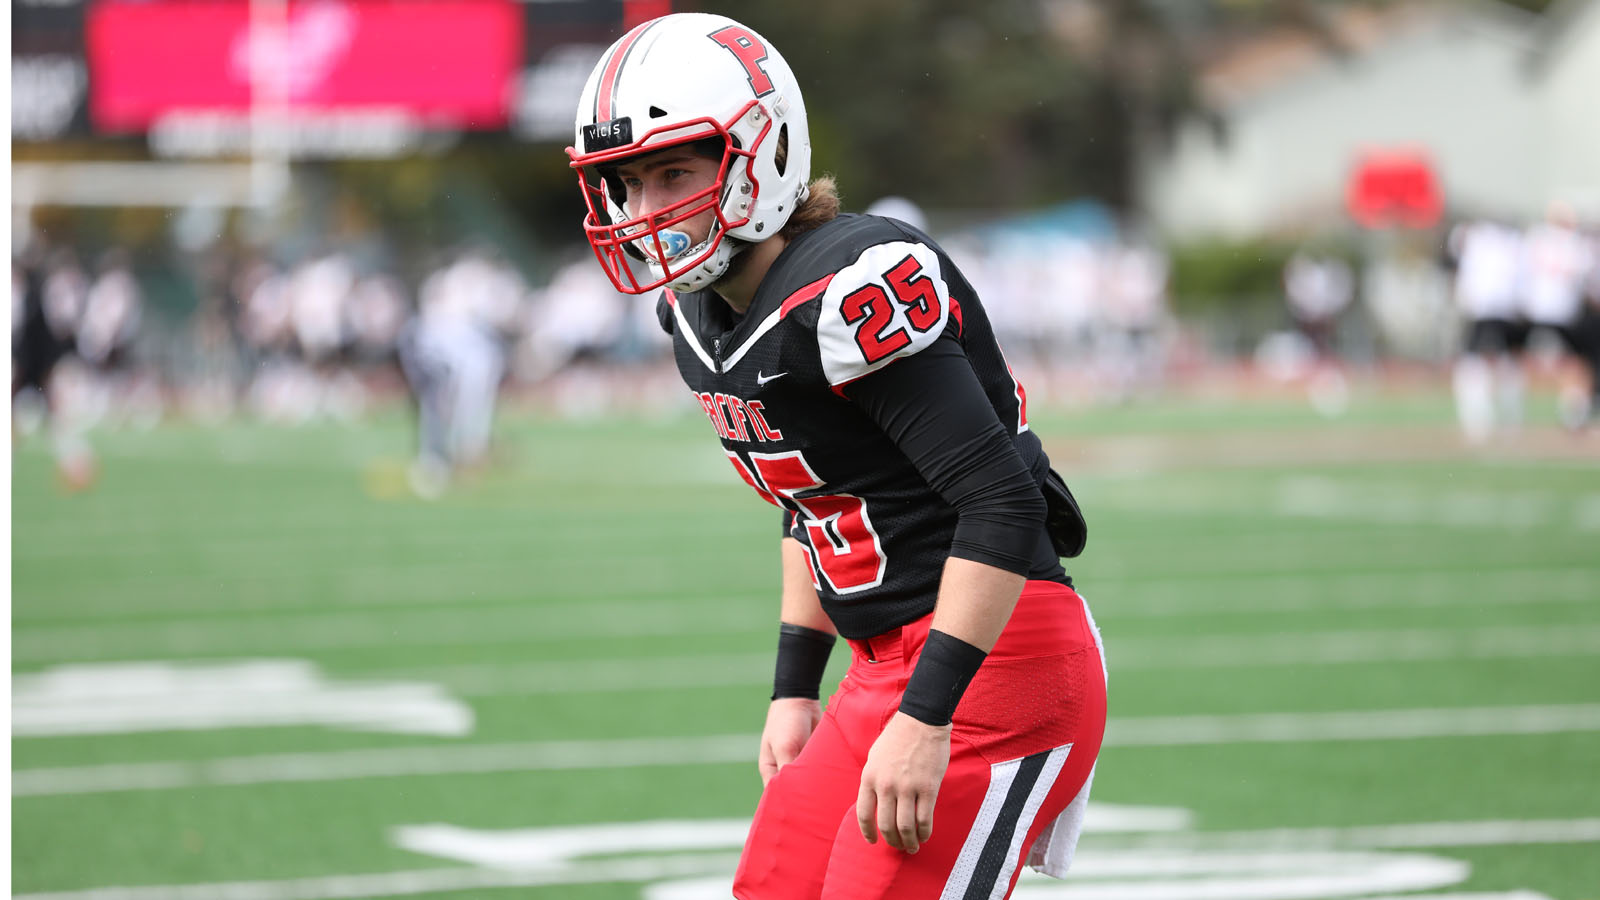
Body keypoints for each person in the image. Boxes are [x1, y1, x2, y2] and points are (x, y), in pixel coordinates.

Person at [566, 13, 1105, 899]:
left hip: (994, 660)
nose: (646, 209)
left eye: (673, 173)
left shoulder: (851, 290)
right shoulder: (700, 318)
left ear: (761, 155)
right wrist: (793, 687)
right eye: (628, 183)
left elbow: (1003, 501)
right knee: (772, 884)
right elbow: (812, 498)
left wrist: (926, 716)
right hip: (881, 664)